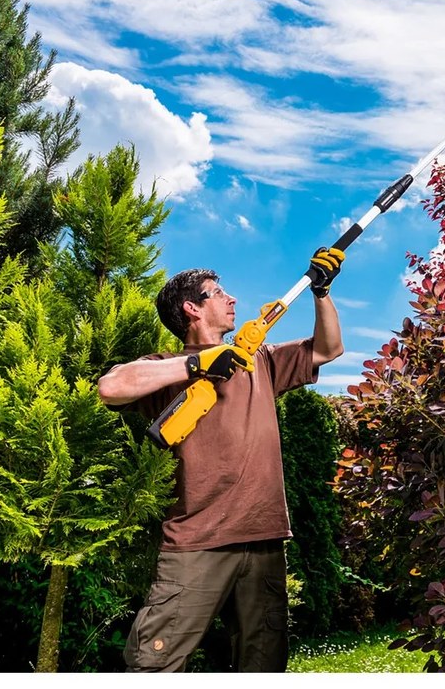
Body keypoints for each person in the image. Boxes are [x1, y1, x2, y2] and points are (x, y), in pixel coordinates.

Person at [97, 247, 346, 672]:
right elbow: (111, 387)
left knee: (263, 666)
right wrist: (198, 364)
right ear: (191, 308)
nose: (233, 299)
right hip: (197, 541)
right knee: (154, 663)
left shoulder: (258, 360)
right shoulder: (166, 367)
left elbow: (328, 349)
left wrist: (321, 294)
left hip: (264, 539)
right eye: (218, 293)